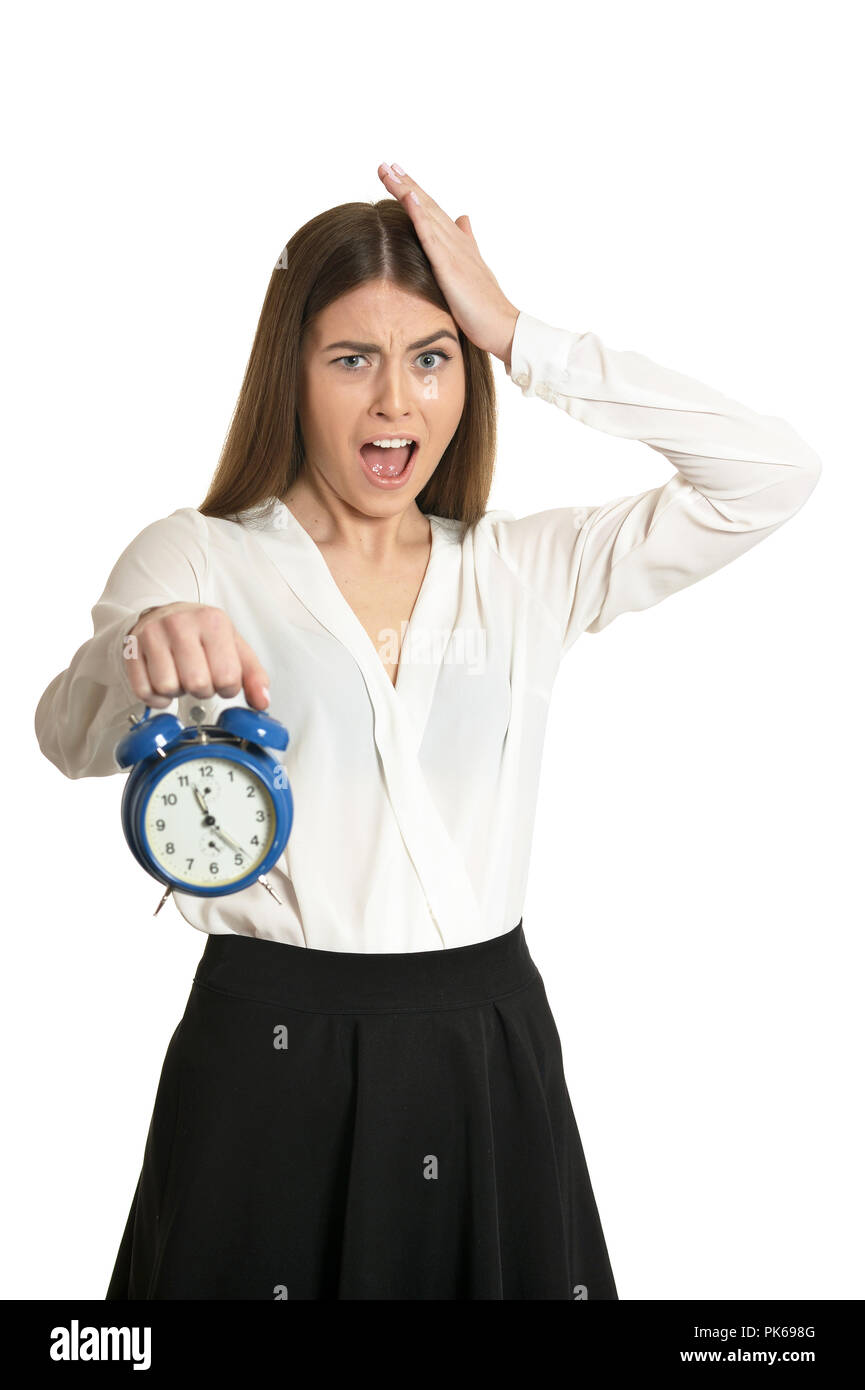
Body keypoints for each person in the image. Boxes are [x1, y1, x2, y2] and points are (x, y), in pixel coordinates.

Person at [33, 161, 822, 1301]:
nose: (397, 403)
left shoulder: (525, 571)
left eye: (431, 358)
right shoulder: (195, 556)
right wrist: (140, 644)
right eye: (352, 358)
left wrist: (517, 330)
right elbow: (64, 732)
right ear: (291, 375)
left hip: (484, 1053)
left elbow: (770, 474)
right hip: (268, 1055)